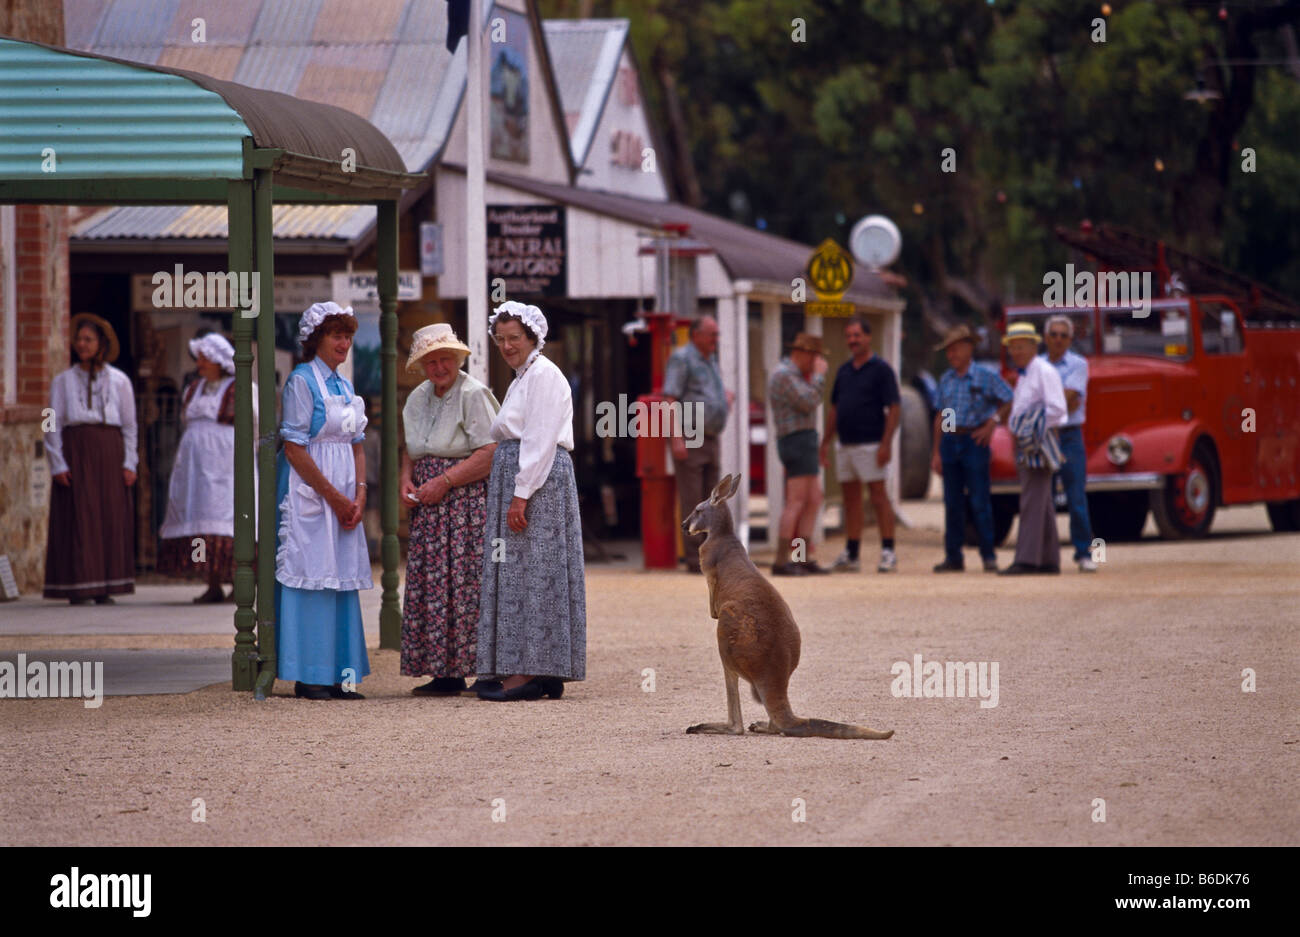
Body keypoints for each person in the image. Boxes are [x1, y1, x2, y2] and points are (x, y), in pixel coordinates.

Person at [475, 301, 586, 702]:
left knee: (533, 574)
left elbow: (539, 440)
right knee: (525, 572)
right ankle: (543, 669)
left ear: (532, 337)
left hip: (536, 482)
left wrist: (521, 495)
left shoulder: (543, 376)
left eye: (514, 338)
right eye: (500, 339)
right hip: (523, 477)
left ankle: (526, 671)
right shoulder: (524, 376)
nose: (506, 346)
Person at [275, 302, 372, 700]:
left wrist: (360, 494)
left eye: (348, 335)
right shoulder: (302, 382)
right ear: (316, 339)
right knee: (312, 574)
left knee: (340, 578)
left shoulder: (344, 386)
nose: (344, 343)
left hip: (345, 496)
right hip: (311, 494)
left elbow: (358, 445)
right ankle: (310, 674)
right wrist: (332, 497)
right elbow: (295, 448)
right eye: (336, 335)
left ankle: (340, 673)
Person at [399, 323, 500, 695]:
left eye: (445, 359)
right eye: (431, 361)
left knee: (467, 582)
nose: (439, 367)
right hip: (428, 504)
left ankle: (482, 670)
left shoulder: (473, 394)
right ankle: (444, 672)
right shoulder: (417, 397)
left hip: (464, 503)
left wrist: (444, 482)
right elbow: (411, 451)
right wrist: (406, 479)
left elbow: (490, 452)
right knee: (433, 584)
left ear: (458, 359)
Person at [44, 313, 138, 605]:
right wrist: (57, 462)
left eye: (88, 340)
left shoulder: (120, 381)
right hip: (76, 451)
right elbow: (50, 422)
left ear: (102, 344)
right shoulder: (62, 382)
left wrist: (129, 462)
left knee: (108, 516)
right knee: (79, 516)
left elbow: (130, 424)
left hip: (110, 453)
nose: (82, 345)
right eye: (79, 339)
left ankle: (105, 586)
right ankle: (78, 585)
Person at [156, 333, 254, 602]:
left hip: (226, 463)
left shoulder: (240, 387)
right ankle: (212, 583)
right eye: (199, 358)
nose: (199, 363)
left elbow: (254, 424)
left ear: (219, 361)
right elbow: (185, 420)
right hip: (195, 466)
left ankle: (238, 582)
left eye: (205, 359)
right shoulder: (193, 388)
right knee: (200, 515)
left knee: (229, 517)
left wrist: (246, 453)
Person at [819, 317, 901, 573]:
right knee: (850, 499)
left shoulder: (882, 370)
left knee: (878, 497)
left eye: (857, 335)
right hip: (845, 444)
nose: (853, 340)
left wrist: (886, 444)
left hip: (872, 444)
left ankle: (888, 551)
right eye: (849, 336)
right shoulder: (843, 371)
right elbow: (834, 408)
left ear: (868, 338)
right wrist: (825, 442)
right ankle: (852, 553)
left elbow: (895, 408)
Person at [930, 324, 1013, 573]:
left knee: (979, 500)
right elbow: (940, 415)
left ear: (968, 348)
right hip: (950, 439)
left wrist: (992, 424)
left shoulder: (985, 376)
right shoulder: (945, 379)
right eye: (948, 351)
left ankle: (988, 555)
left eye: (955, 349)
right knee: (952, 502)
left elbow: (1008, 398)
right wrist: (936, 451)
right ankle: (953, 556)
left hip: (974, 441)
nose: (951, 355)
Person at [663, 315, 731, 574]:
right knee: (693, 500)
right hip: (690, 437)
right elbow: (669, 399)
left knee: (714, 499)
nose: (716, 339)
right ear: (697, 335)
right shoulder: (682, 358)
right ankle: (695, 560)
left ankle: (713, 555)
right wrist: (676, 437)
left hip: (711, 436)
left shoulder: (710, 358)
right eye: (712, 334)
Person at [999, 321, 1068, 575]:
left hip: (1038, 443)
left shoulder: (1044, 371)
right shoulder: (1026, 373)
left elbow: (1058, 409)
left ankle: (1027, 559)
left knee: (1031, 498)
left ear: (1032, 346)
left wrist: (1031, 428)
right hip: (1029, 444)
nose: (1015, 352)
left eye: (1020, 347)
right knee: (1042, 500)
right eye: (1012, 348)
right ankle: (1049, 560)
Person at [767, 332, 830, 576]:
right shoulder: (784, 375)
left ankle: (802, 557)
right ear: (802, 353)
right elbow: (808, 401)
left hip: (802, 439)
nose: (815, 361)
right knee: (796, 500)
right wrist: (819, 377)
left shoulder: (791, 374)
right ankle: (782, 561)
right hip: (796, 440)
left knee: (814, 498)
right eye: (813, 356)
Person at [1042, 315, 1097, 573]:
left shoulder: (1079, 364)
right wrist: (1062, 400)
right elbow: (1062, 400)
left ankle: (1084, 552)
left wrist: (1047, 401)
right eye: (1054, 334)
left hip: (1070, 435)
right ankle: (1046, 553)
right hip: (1044, 435)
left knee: (1076, 497)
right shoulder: (1037, 365)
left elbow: (1072, 396)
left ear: (1071, 339)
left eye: (1064, 335)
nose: (1058, 339)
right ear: (1046, 338)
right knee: (1045, 497)